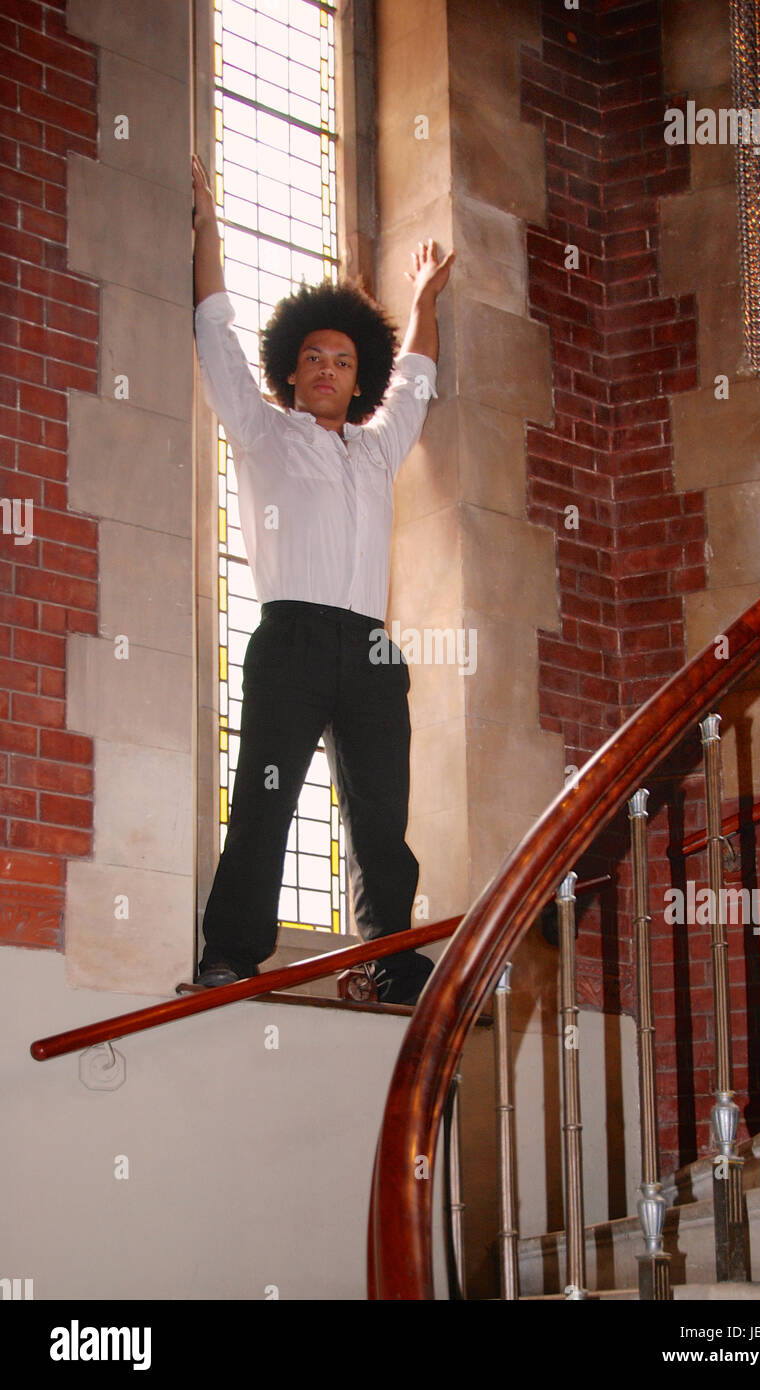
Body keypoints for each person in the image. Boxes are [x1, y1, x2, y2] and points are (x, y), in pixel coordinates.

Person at [191, 154, 454, 1004]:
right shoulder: (262, 433)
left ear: (355, 374)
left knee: (383, 813)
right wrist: (207, 226)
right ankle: (230, 951)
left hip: (370, 648)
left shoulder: (377, 449)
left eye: (341, 360)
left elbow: (417, 377)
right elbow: (215, 332)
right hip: (293, 636)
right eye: (313, 358)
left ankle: (390, 958)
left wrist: (423, 304)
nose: (327, 370)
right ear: (292, 371)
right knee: (264, 794)